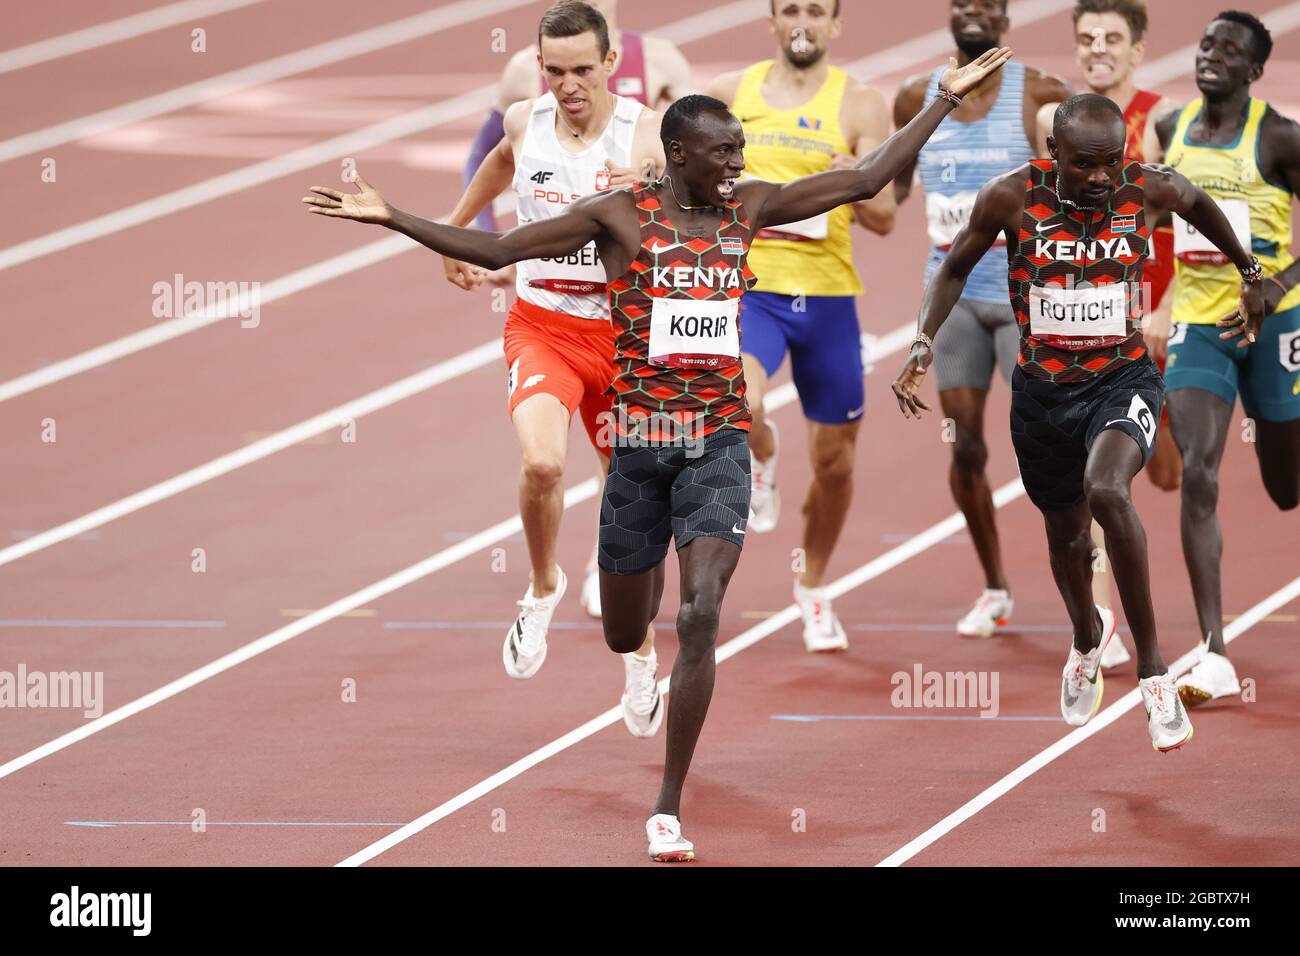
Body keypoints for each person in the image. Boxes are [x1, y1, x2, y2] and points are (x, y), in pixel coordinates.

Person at [305, 47, 1013, 858]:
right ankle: (630, 654)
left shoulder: (746, 207)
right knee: (623, 624)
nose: (740, 164)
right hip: (640, 446)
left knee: (702, 613)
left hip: (715, 440)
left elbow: (860, 181)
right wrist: (392, 215)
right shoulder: (617, 216)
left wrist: (939, 107)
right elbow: (502, 253)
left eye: (742, 152)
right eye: (726, 153)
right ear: (680, 157)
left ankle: (668, 803)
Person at [891, 93, 1266, 753]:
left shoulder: (1146, 189)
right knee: (1066, 539)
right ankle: (1087, 640)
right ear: (1054, 154)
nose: (1100, 178)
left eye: (1109, 162)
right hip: (1041, 396)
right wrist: (924, 337)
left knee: (1108, 489)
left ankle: (1153, 673)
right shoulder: (1010, 197)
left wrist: (1250, 270)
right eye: (1084, 165)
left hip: (1123, 381)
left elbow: (1200, 206)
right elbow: (952, 268)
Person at [441, 1, 667, 735]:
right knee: (542, 465)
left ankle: (639, 658)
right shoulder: (522, 120)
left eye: (581, 70)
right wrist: (458, 228)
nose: (568, 85)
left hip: (623, 339)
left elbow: (673, 218)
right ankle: (541, 587)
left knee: (628, 511)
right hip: (541, 326)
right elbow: (501, 163)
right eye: (555, 70)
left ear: (610, 64)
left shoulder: (644, 133)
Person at [705, 0, 897, 652]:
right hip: (753, 292)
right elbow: (694, 180)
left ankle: (812, 587)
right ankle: (762, 454)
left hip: (828, 299)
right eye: (790, 9)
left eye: (816, 10)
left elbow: (886, 214)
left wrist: (847, 180)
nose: (802, 21)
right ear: (773, 22)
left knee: (835, 461)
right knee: (740, 400)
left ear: (835, 25)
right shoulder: (735, 94)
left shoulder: (862, 103)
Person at [892, 0, 1073, 639]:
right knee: (965, 445)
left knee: (1051, 449)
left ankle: (1085, 585)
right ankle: (995, 587)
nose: (973, 11)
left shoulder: (1043, 93)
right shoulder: (919, 95)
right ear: (950, 16)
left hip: (1026, 302)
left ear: (1004, 19)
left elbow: (1075, 189)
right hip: (956, 298)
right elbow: (888, 192)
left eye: (986, 4)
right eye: (962, 2)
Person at [1154, 11, 1300, 707]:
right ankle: (1213, 650)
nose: (1212, 56)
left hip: (1275, 325)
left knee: (1284, 486)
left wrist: (1276, 283)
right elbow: (1150, 216)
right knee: (1200, 469)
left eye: (1231, 50)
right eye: (1208, 43)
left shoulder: (1279, 138)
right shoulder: (1168, 131)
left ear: (1254, 71)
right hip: (1200, 321)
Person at [1036, 0, 1183, 670]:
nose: (1099, 48)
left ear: (1139, 47)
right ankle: (1100, 624)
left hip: (1160, 314)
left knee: (1169, 475)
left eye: (1113, 38)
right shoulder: (1063, 126)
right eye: (1087, 37)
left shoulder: (1163, 119)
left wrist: (1168, 308)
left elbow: (1196, 226)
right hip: (1093, 338)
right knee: (1100, 483)